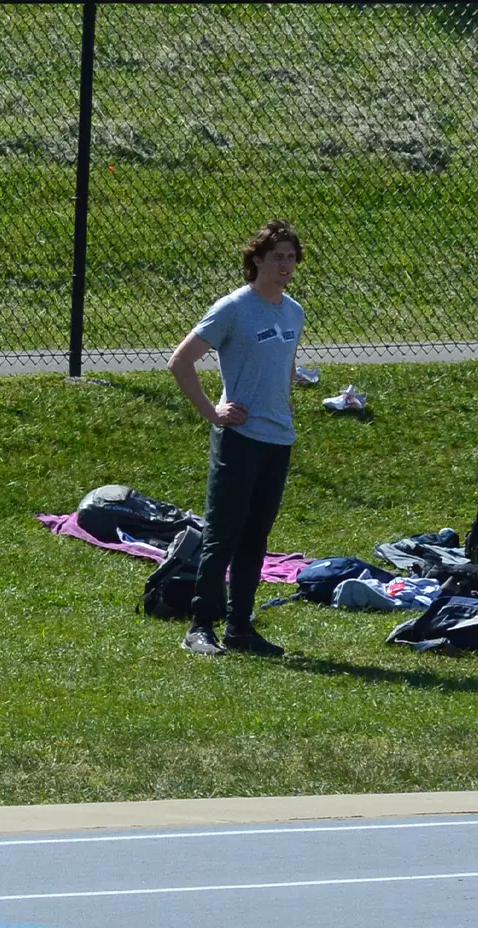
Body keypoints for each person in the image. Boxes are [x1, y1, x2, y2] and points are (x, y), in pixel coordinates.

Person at [166, 219, 306, 657]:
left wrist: (286, 401)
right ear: (258, 260)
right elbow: (180, 362)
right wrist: (213, 412)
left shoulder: (294, 311)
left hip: (278, 440)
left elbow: (284, 363)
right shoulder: (233, 308)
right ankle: (201, 625)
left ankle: (240, 628)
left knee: (255, 538)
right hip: (239, 437)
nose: (286, 264)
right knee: (223, 534)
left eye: (292, 257)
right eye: (277, 256)